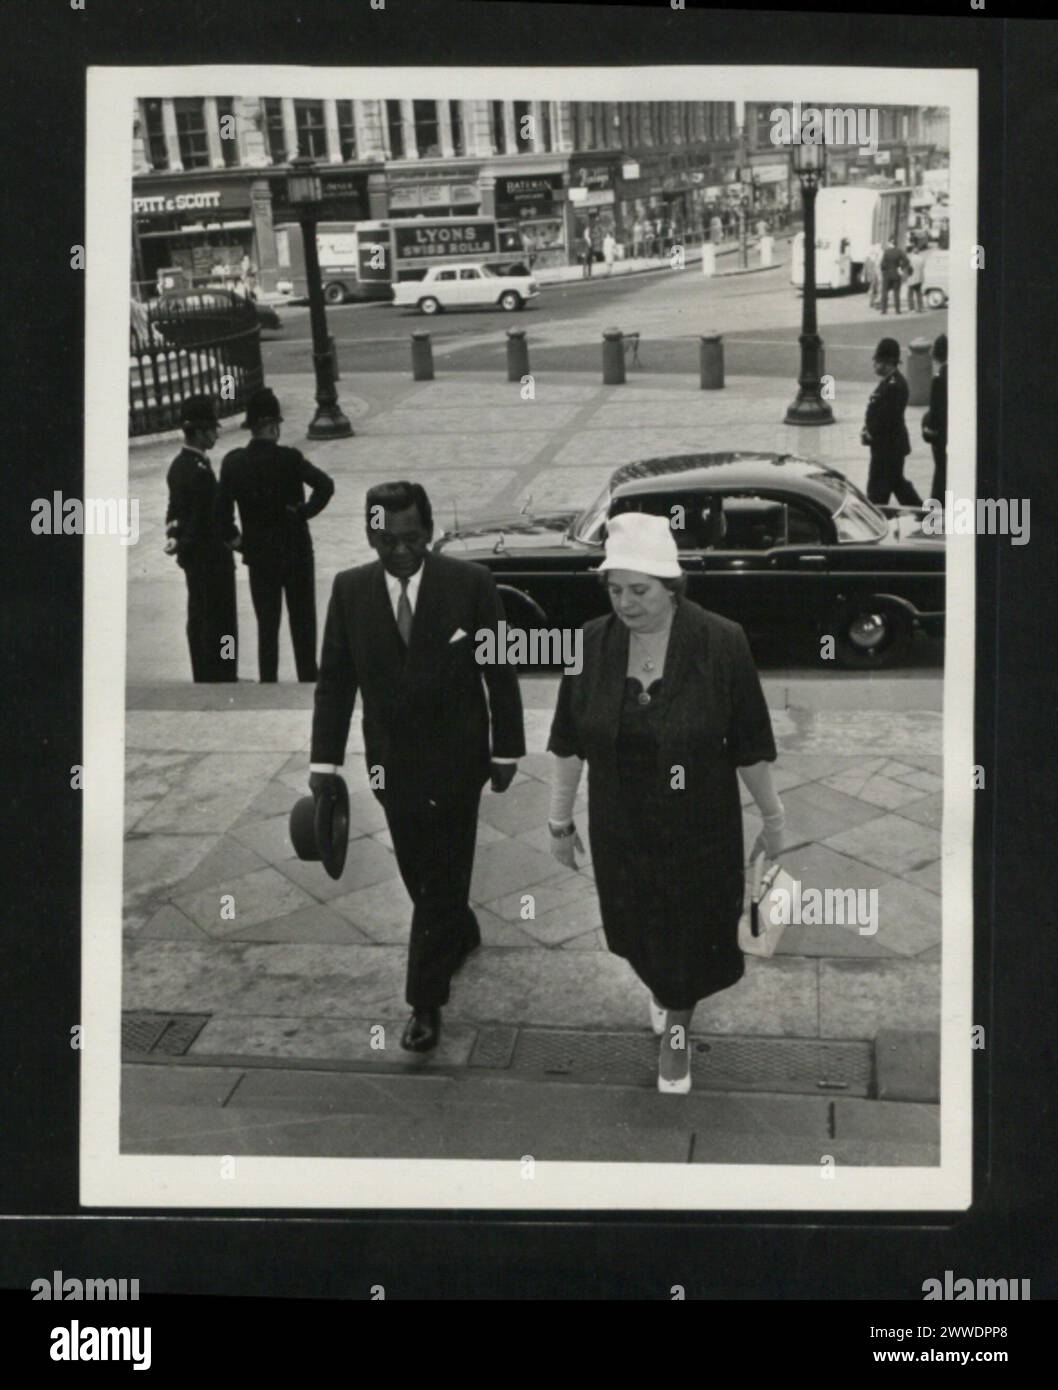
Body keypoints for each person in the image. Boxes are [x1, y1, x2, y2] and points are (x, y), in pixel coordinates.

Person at [546, 512, 784, 1094]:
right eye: (614, 589)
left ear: (671, 586)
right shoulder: (588, 644)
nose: (625, 604)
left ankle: (677, 1033)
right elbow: (567, 742)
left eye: (640, 590)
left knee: (689, 941)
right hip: (620, 826)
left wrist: (774, 818)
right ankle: (661, 990)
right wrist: (559, 821)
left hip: (699, 826)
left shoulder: (721, 642)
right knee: (635, 932)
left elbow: (750, 745)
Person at [309, 481, 526, 1053]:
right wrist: (323, 763)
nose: (400, 551)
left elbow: (499, 671)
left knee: (439, 874)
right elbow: (335, 682)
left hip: (459, 759)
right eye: (386, 539)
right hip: (391, 764)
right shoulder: (350, 590)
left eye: (411, 537)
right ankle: (459, 929)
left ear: (429, 531)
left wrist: (507, 749)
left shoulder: (470, 584)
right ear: (368, 533)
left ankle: (424, 1001)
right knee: (417, 868)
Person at [215, 387, 334, 683]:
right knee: (302, 620)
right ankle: (307, 675)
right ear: (273, 426)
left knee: (267, 623)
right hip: (296, 552)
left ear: (251, 428)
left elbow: (221, 514)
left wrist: (240, 543)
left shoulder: (234, 462)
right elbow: (325, 485)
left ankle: (269, 679)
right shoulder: (290, 458)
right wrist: (304, 512)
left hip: (260, 555)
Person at [164, 395, 238, 683]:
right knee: (222, 622)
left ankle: (203, 672)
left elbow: (175, 510)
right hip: (212, 557)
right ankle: (225, 671)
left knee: (198, 615)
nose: (216, 433)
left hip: (193, 558)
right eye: (212, 428)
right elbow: (202, 520)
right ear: (199, 431)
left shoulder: (177, 466)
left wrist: (173, 536)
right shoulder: (201, 473)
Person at [861, 337, 923, 507]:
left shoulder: (894, 386)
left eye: (877, 360)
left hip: (887, 448)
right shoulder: (889, 382)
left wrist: (870, 433)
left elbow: (887, 420)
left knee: (877, 492)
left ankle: (874, 524)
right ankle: (927, 517)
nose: (874, 364)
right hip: (888, 446)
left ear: (888, 362)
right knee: (897, 485)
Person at [922, 333, 948, 501]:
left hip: (941, 437)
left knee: (940, 474)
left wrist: (927, 426)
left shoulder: (939, 380)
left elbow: (935, 412)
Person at [878, 236, 911, 315]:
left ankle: (884, 310)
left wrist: (884, 270)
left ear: (890, 242)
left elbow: (882, 264)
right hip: (896, 274)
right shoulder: (899, 251)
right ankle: (897, 310)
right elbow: (907, 261)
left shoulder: (886, 252)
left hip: (887, 275)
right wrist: (901, 267)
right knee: (896, 292)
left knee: (885, 292)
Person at [906, 239, 928, 312]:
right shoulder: (921, 258)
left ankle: (911, 308)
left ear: (913, 252)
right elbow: (923, 266)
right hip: (919, 278)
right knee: (919, 293)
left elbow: (907, 268)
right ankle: (920, 307)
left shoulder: (910, 258)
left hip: (911, 278)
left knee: (910, 294)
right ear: (918, 252)